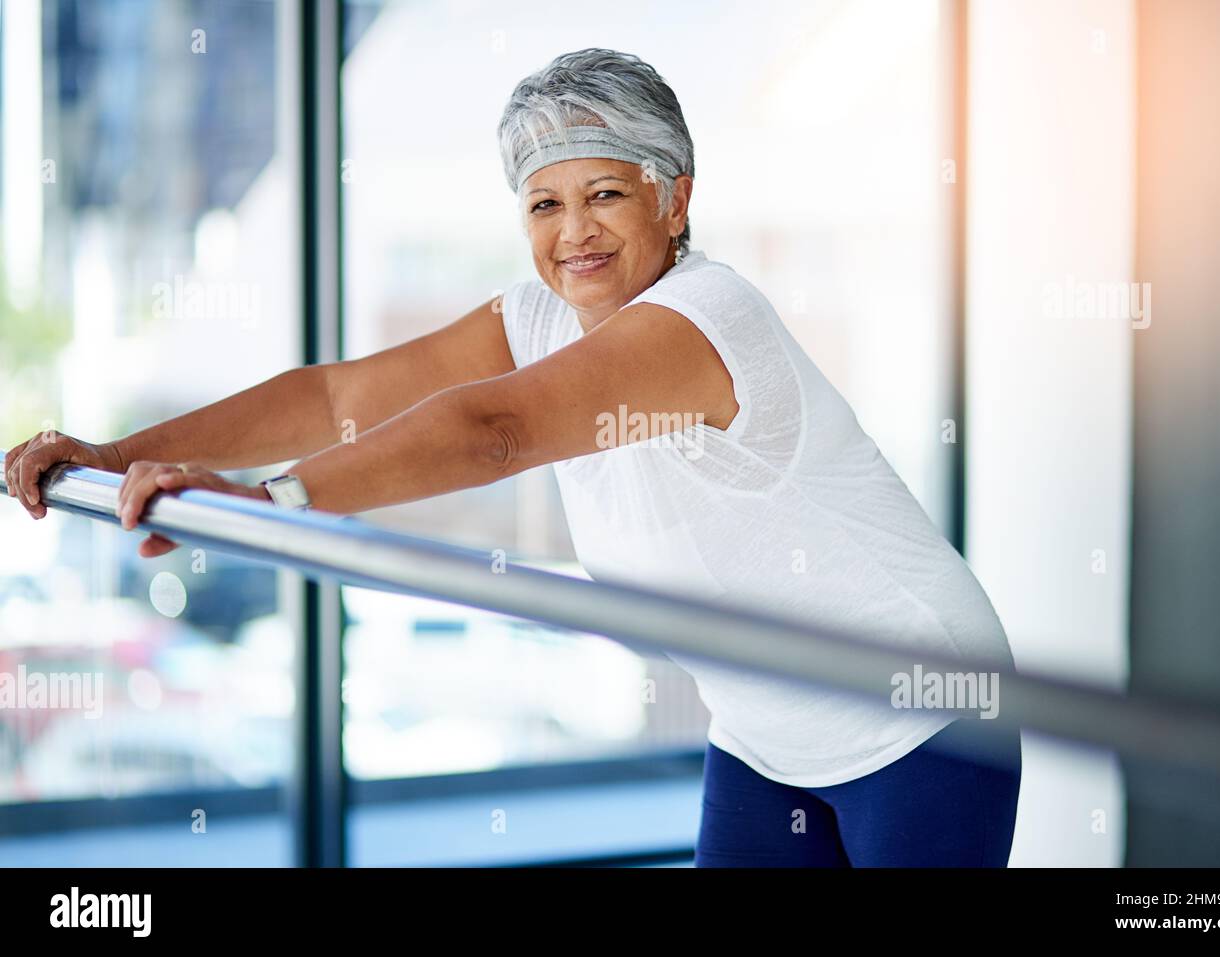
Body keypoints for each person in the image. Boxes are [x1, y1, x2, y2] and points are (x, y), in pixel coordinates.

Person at [5, 47, 1020, 866]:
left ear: (674, 199)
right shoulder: (538, 317)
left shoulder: (705, 317)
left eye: (607, 195)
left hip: (919, 713)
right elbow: (335, 396)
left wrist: (270, 501)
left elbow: (496, 432)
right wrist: (117, 451)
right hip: (764, 723)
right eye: (545, 204)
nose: (574, 231)